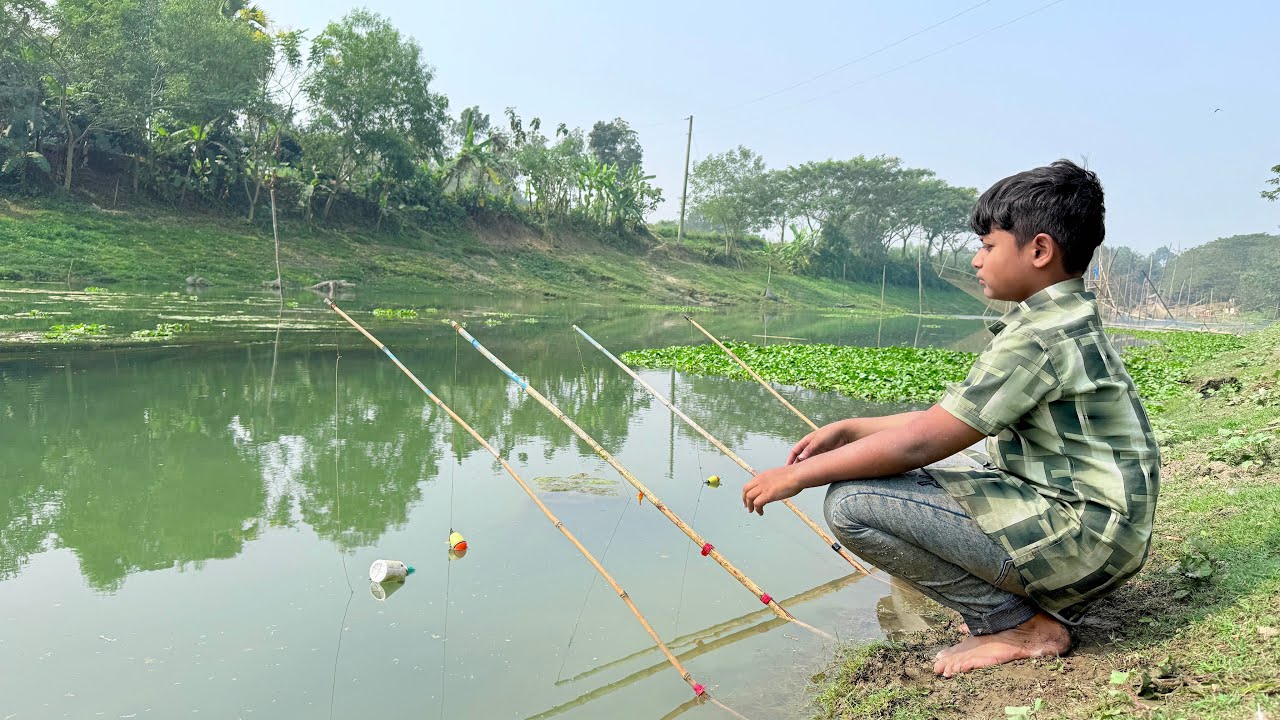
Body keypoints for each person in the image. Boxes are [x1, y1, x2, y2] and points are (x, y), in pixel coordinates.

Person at [741, 159, 1159, 677]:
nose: (977, 260)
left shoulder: (1038, 337)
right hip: (1104, 536)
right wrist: (850, 429)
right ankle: (1015, 602)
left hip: (1085, 542)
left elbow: (921, 442)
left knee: (852, 503)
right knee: (929, 473)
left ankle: (1018, 624)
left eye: (987, 246)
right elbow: (949, 419)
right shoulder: (1059, 320)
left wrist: (799, 475)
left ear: (1039, 250)